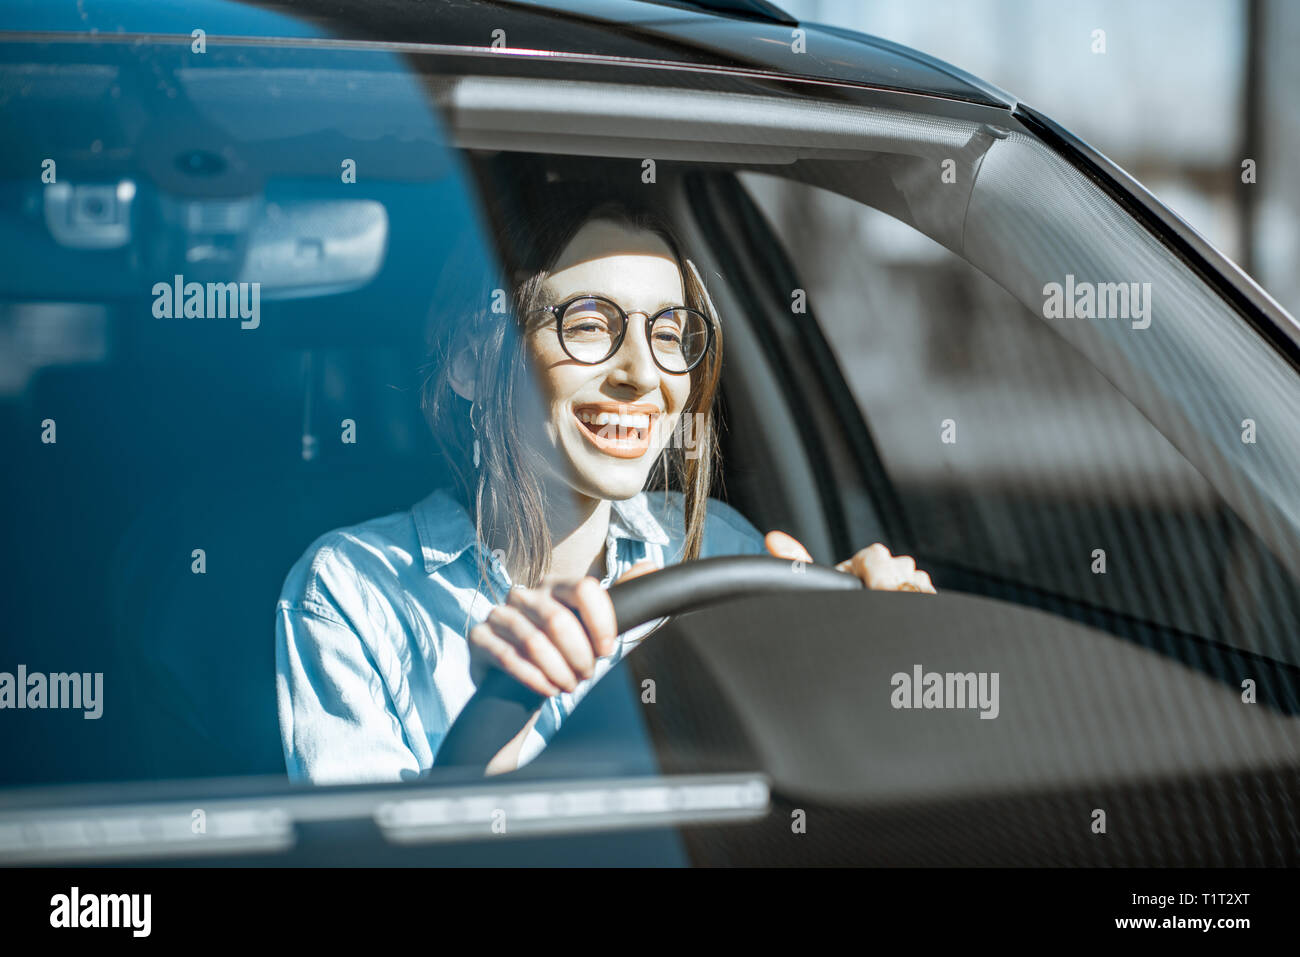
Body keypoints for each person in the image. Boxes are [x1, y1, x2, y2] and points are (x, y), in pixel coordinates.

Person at [275, 188, 935, 785]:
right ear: (472, 362)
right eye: (590, 324)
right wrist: (487, 757)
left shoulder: (721, 550)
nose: (643, 374)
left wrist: (872, 655)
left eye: (670, 333)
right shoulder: (353, 592)